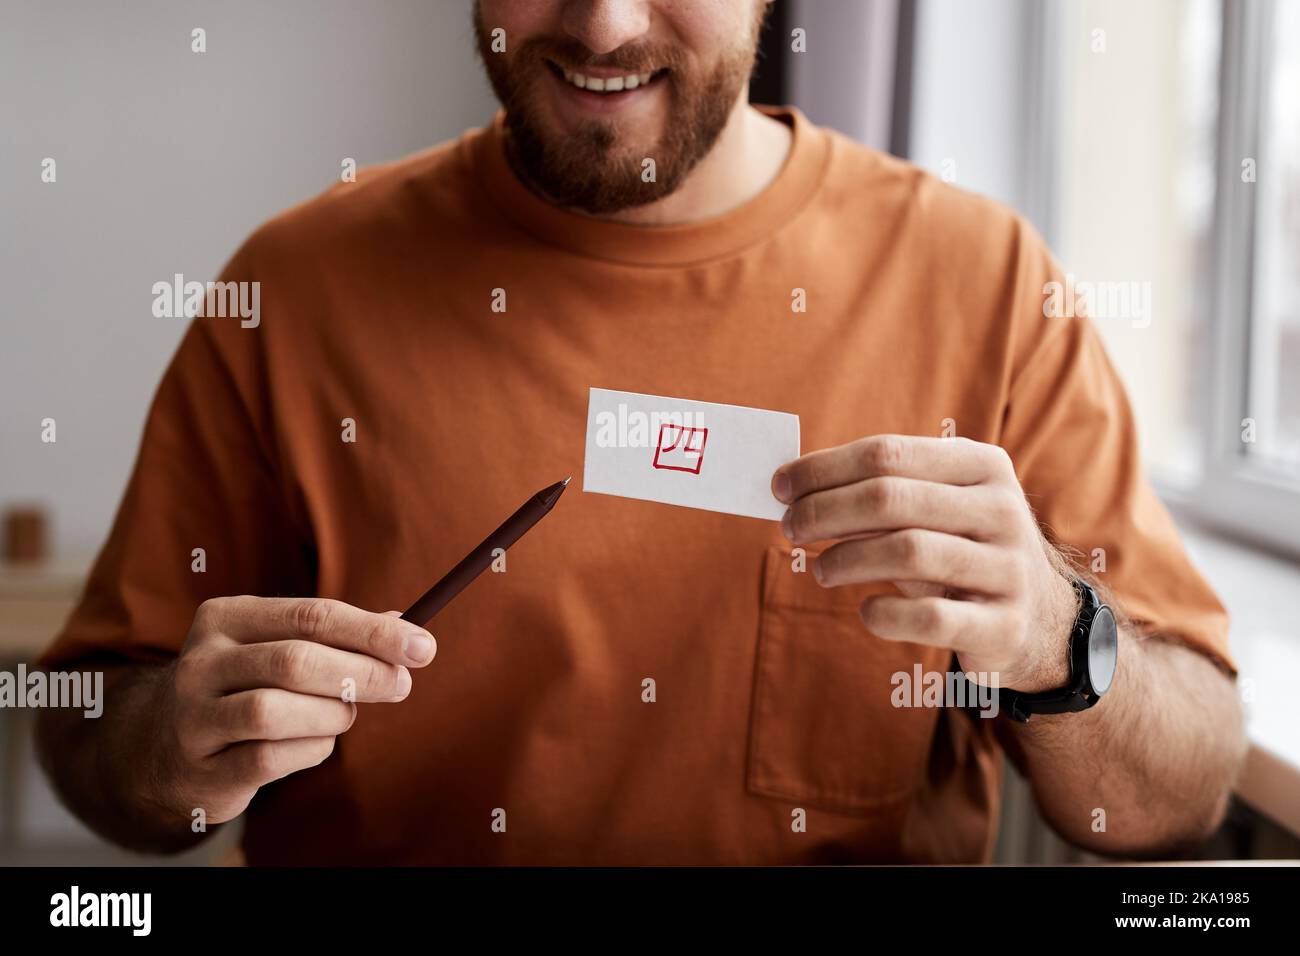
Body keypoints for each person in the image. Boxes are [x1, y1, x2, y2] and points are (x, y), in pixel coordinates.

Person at [37, 0, 1245, 864]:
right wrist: (177, 741)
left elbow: (1183, 794)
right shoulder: (291, 289)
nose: (605, 26)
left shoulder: (983, 284)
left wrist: (1052, 629)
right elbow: (90, 742)